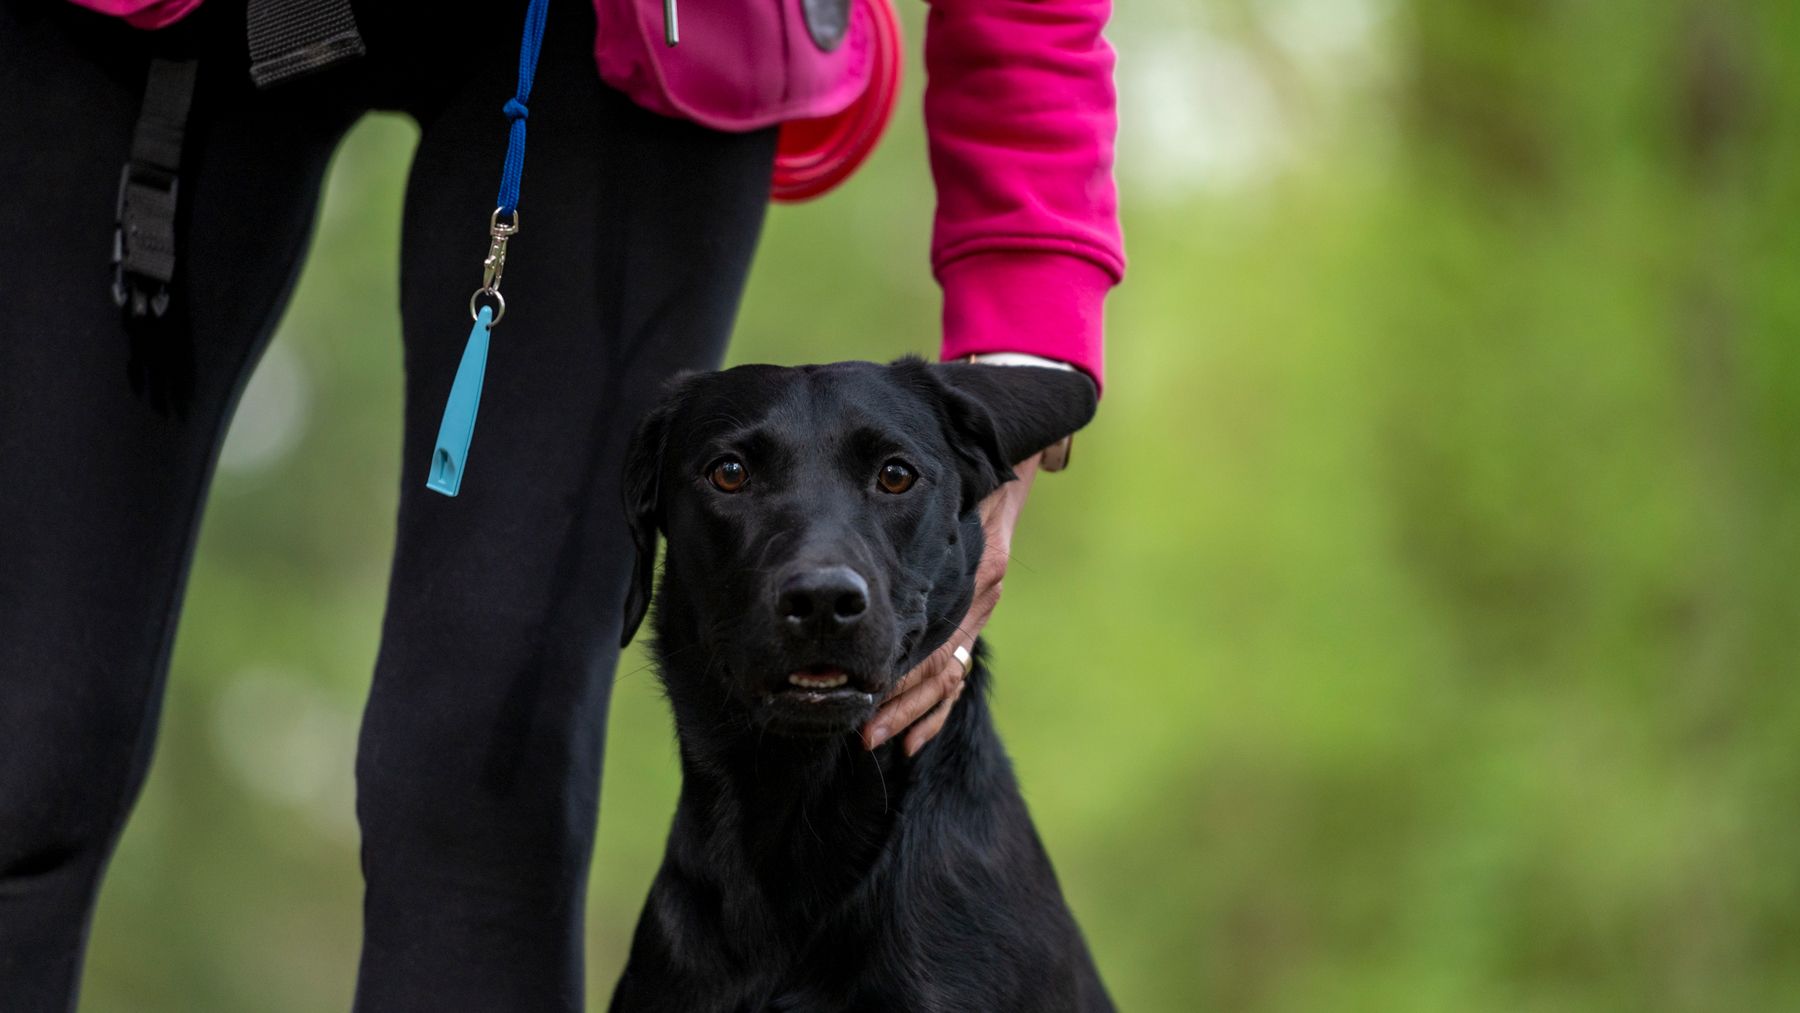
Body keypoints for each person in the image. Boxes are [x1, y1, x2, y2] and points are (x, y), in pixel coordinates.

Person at [0, 0, 1122, 1007]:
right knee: (25, 752)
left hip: (625, 36)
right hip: (159, 24)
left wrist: (1019, 363)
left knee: (483, 773)